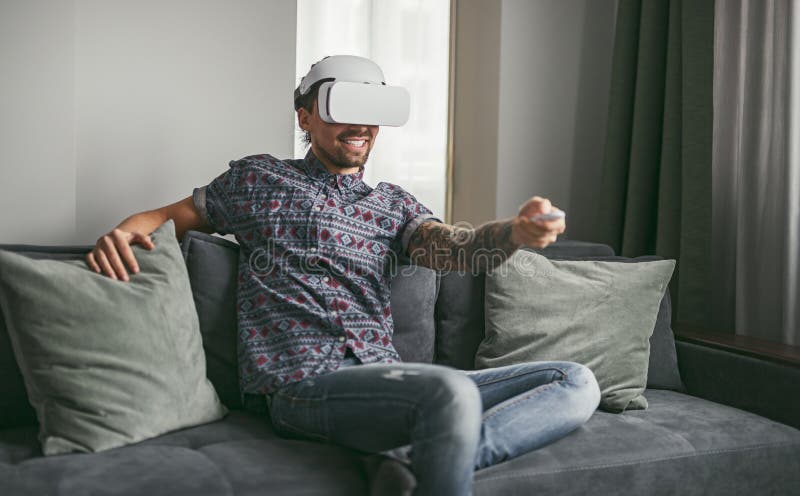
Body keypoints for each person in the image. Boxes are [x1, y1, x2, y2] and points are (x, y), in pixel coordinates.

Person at [87, 55, 600, 496]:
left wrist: (514, 233)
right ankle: (433, 451)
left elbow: (454, 251)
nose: (359, 126)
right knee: (451, 396)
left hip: (391, 379)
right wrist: (128, 228)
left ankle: (409, 461)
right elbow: (168, 216)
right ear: (305, 117)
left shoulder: (394, 205)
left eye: (370, 113)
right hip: (301, 384)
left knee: (574, 381)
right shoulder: (258, 180)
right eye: (341, 110)